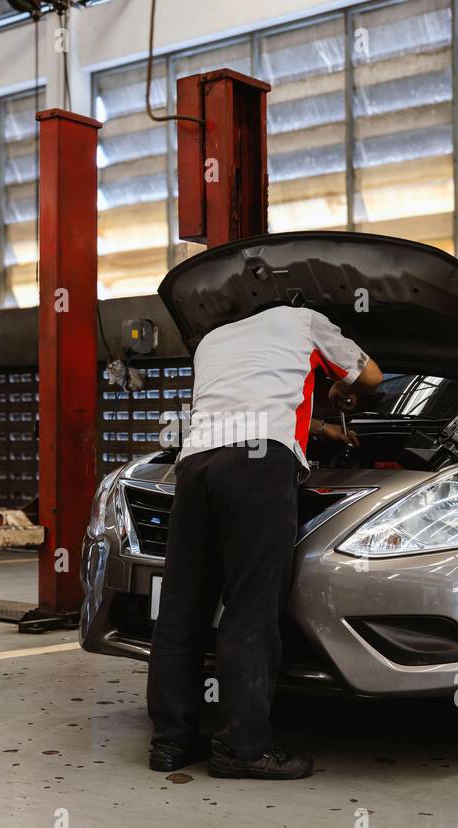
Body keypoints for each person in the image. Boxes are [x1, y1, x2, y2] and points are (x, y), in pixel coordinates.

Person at [146, 303, 383, 780]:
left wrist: (316, 426)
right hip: (258, 470)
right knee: (250, 609)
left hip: (195, 468)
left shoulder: (213, 339)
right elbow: (372, 378)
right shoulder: (306, 319)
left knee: (181, 611)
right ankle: (243, 747)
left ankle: (171, 743)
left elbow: (242, 406)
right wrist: (337, 387)